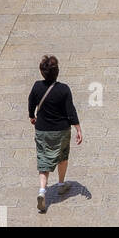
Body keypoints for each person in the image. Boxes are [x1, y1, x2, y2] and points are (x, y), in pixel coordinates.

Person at [28, 54, 82, 214]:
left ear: (42, 72)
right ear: (57, 71)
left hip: (42, 129)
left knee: (43, 160)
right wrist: (78, 128)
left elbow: (31, 103)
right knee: (63, 156)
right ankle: (60, 184)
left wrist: (32, 116)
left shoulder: (37, 86)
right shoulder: (63, 89)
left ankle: (42, 192)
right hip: (61, 130)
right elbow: (70, 111)